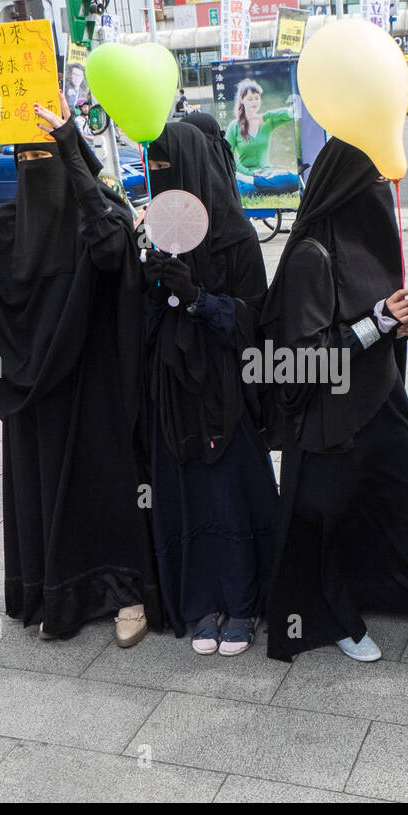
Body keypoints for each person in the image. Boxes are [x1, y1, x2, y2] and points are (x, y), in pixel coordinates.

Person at [0, 100, 160, 645]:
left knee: (108, 487)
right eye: (26, 156)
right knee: (43, 491)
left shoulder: (100, 212)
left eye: (47, 153)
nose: (35, 165)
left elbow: (111, 247)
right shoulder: (8, 226)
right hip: (34, 392)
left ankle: (123, 592)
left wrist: (70, 149)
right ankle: (53, 591)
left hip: (97, 383)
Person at [259, 138, 408, 662]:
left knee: (405, 501)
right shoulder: (309, 255)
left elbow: (384, 315)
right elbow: (303, 359)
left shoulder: (365, 242)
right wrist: (376, 324)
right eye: (374, 187)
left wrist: (403, 324)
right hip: (330, 417)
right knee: (328, 519)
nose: (384, 199)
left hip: (380, 396)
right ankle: (337, 615)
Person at [142, 120, 277, 656]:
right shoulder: (151, 229)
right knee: (185, 492)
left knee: (230, 495)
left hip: (225, 388)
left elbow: (257, 320)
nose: (160, 178)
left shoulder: (237, 236)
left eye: (168, 167)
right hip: (172, 389)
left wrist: (198, 298)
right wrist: (148, 283)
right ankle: (199, 600)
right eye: (153, 168)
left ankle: (241, 601)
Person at [224, 79, 300, 197]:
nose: (254, 102)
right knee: (243, 189)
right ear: (242, 100)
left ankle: (261, 184)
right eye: (250, 99)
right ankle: (263, 185)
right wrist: (249, 173)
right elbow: (227, 156)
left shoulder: (266, 121)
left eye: (257, 98)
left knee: (295, 181)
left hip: (267, 174)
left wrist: (267, 115)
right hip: (244, 176)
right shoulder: (234, 126)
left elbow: (292, 114)